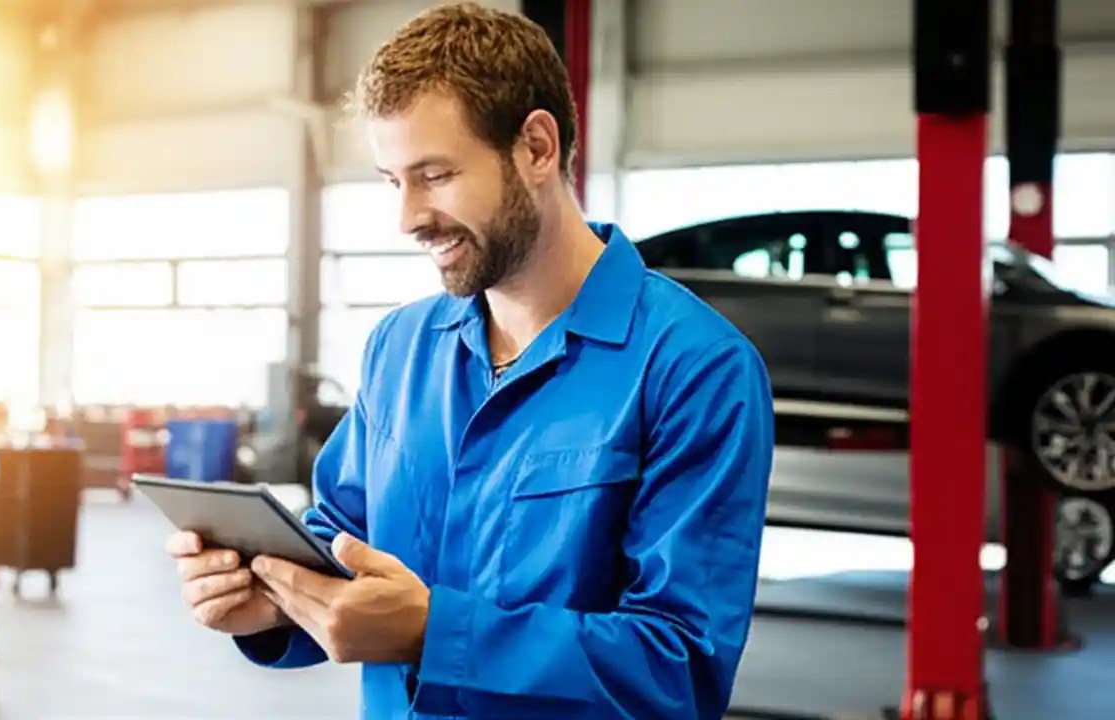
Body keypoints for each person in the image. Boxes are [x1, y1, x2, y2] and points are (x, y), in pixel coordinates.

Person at [165, 3, 774, 718]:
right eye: (394, 180)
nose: (408, 218)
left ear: (538, 148)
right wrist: (265, 599)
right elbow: (341, 539)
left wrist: (434, 632)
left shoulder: (695, 370)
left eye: (436, 174)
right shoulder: (400, 349)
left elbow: (681, 668)